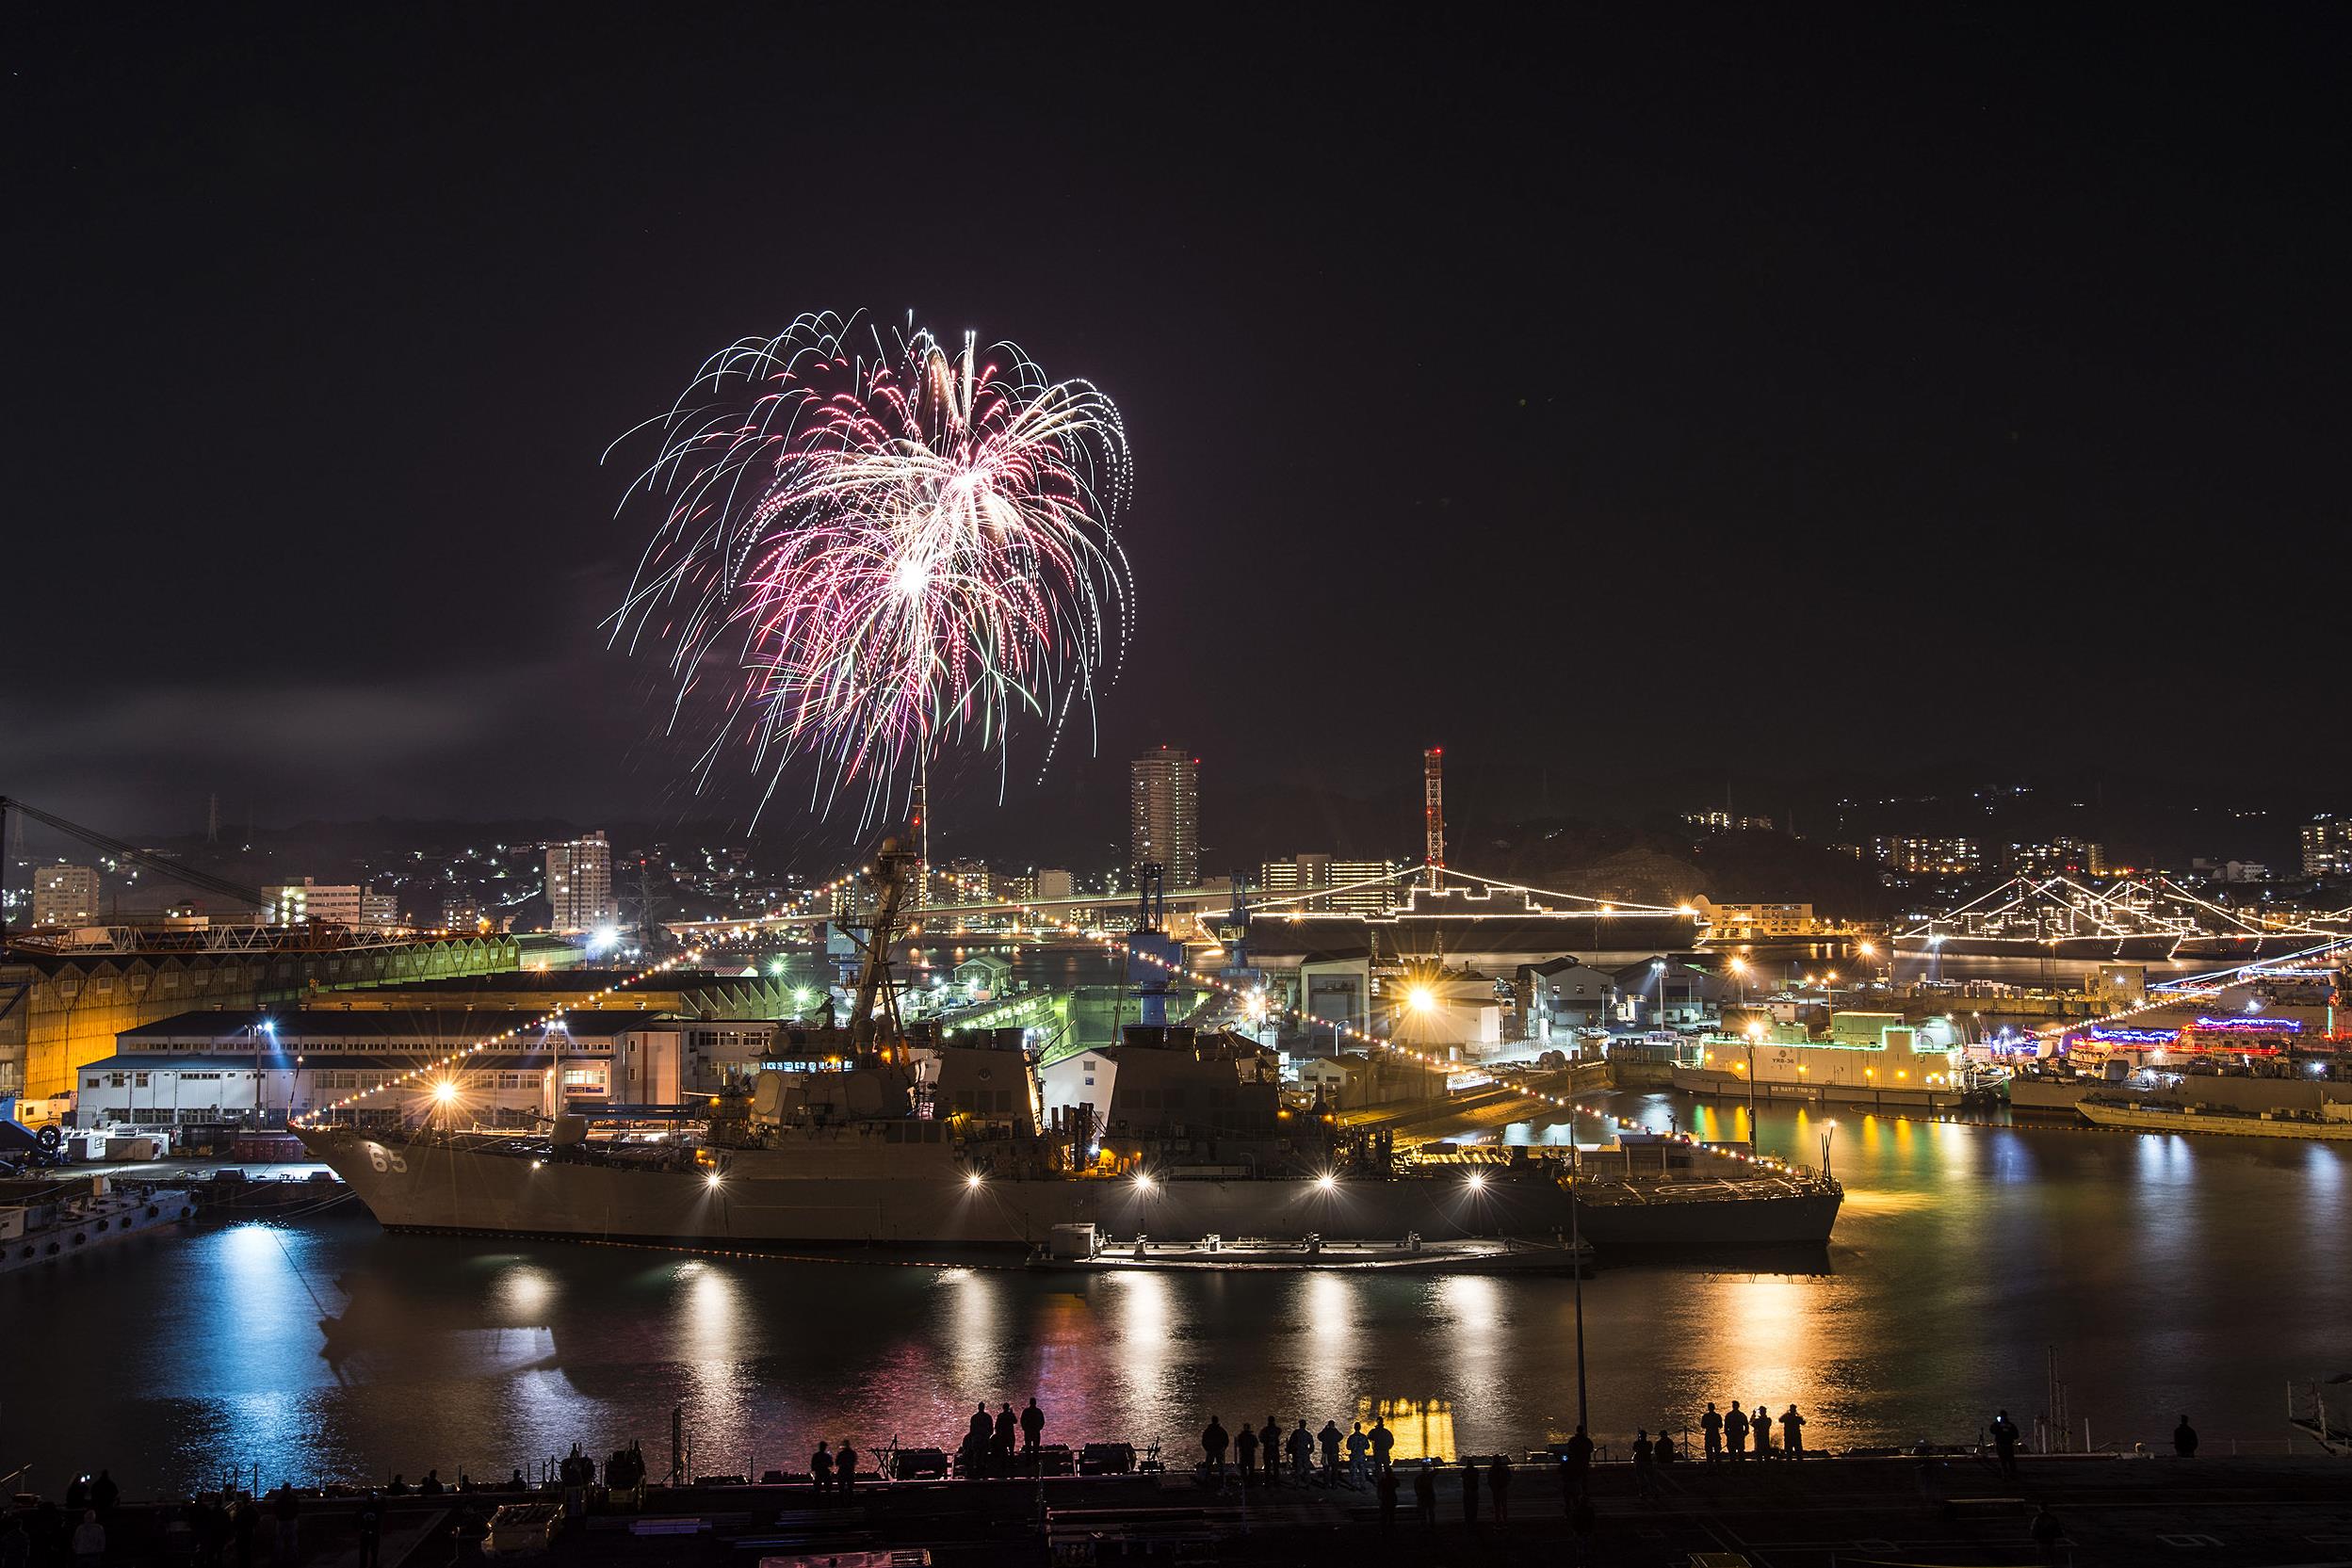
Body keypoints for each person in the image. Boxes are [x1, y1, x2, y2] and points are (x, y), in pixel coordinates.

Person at [1561, 1425, 1593, 1505]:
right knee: (1584, 1480)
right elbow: (1590, 1449)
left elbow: (1569, 1450)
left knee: (1575, 1480)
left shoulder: (1573, 1440)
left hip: (1575, 1463)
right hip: (1584, 1463)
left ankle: (1575, 1497)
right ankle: (1584, 1495)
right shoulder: (1586, 1440)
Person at [272, 1484, 300, 1562]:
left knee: (280, 1539)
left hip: (281, 1520)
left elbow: (275, 1509)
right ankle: (293, 1556)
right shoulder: (294, 1498)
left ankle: (280, 1556)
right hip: (291, 1520)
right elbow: (297, 1508)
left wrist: (279, 1517)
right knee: (293, 1538)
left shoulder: (279, 1499)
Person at [1990, 1410, 2020, 1477]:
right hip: (2009, 1445)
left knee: (2003, 1461)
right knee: (2011, 1460)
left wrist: (1996, 1423)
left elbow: (1992, 1430)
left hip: (2001, 1445)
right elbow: (2016, 1436)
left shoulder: (1998, 1425)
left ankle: (2005, 1474)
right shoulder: (2011, 1425)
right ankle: (2013, 1474)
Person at [357, 1492, 382, 1568]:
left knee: (364, 1553)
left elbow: (355, 1520)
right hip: (374, 1533)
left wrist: (359, 1529)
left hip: (364, 1533)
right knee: (374, 1553)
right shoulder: (378, 1510)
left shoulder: (362, 1509)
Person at [1202, 1415, 1229, 1483]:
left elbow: (1204, 1440)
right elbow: (1226, 1440)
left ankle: (1207, 1479)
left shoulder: (1208, 1430)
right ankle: (1222, 1480)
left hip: (1211, 1450)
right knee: (1221, 1465)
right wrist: (1223, 1448)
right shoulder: (1221, 1430)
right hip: (1219, 1450)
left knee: (1209, 1466)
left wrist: (1207, 1449)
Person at [1486, 1452, 1511, 1525]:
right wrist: (1505, 1485)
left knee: (1497, 1506)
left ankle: (1498, 1520)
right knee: (1504, 1505)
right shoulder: (1504, 1469)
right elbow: (1509, 1477)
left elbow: (1489, 1480)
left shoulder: (1492, 1470)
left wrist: (1493, 1488)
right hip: (1503, 1489)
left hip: (1496, 1490)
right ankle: (1505, 1520)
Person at [1631, 1430, 1655, 1501]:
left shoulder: (1637, 1443)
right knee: (1650, 1478)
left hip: (1640, 1462)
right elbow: (1650, 1450)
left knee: (1640, 1478)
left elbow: (1634, 1449)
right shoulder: (1649, 1443)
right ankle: (1652, 1492)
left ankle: (1642, 1492)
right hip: (1647, 1461)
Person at [1288, 1420, 1313, 1485]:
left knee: (1297, 1468)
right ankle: (1307, 1483)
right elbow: (1312, 1445)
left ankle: (1297, 1483)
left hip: (1297, 1452)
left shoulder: (1296, 1433)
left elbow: (1291, 1442)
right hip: (1305, 1452)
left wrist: (1290, 1450)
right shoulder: (1307, 1434)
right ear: (1305, 1425)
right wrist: (1309, 1451)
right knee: (1306, 1468)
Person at [1345, 1422, 1371, 1488]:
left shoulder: (1351, 1437)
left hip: (1354, 1457)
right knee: (1362, 1472)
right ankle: (1363, 1485)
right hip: (1361, 1457)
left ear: (1354, 1428)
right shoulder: (1364, 1437)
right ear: (1360, 1428)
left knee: (1353, 1472)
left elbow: (1348, 1447)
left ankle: (1354, 1485)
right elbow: (1367, 1447)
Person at [1412, 1459, 1436, 1526]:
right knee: (1431, 1513)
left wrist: (1419, 1495)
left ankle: (1424, 1525)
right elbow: (1436, 1471)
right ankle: (1432, 1525)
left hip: (1422, 1498)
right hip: (1429, 1497)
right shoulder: (1429, 1477)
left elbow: (1416, 1488)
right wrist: (1434, 1463)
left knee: (1423, 1514)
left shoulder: (1418, 1479)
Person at [1318, 1419, 1342, 1485]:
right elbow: (1341, 1436)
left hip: (1326, 1454)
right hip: (1334, 1454)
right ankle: (1334, 1485)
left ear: (1328, 1425)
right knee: (1334, 1470)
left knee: (1326, 1470)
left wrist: (1324, 1429)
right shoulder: (1335, 1432)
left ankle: (1326, 1484)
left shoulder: (1325, 1432)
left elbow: (1319, 1436)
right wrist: (1335, 1429)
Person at [1233, 1419, 1257, 1484]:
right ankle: (1251, 1482)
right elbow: (1256, 1444)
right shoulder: (1252, 1436)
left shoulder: (1240, 1436)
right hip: (1250, 1454)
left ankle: (1244, 1483)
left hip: (1243, 1455)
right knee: (1251, 1469)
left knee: (1243, 1470)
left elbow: (1238, 1444)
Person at [1259, 1418, 1281, 1487]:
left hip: (1267, 1450)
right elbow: (1280, 1430)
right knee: (1276, 1467)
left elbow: (1261, 1438)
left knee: (1267, 1467)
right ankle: (1276, 1481)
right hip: (1274, 1450)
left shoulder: (1265, 1430)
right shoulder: (1276, 1430)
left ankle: (1267, 1482)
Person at [1458, 1454, 1479, 1525]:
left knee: (1467, 1507)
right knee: (1474, 1507)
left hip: (1467, 1491)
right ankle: (1474, 1520)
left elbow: (1462, 1477)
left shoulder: (1464, 1471)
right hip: (1474, 1491)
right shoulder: (1476, 1471)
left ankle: (1468, 1520)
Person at [1375, 1464, 1399, 1528]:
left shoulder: (1384, 1480)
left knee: (1385, 1515)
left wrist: (1379, 1496)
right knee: (1391, 1515)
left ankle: (1384, 1528)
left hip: (1385, 1499)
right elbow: (1397, 1484)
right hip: (1392, 1498)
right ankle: (1391, 1527)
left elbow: (1379, 1488)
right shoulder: (1392, 1480)